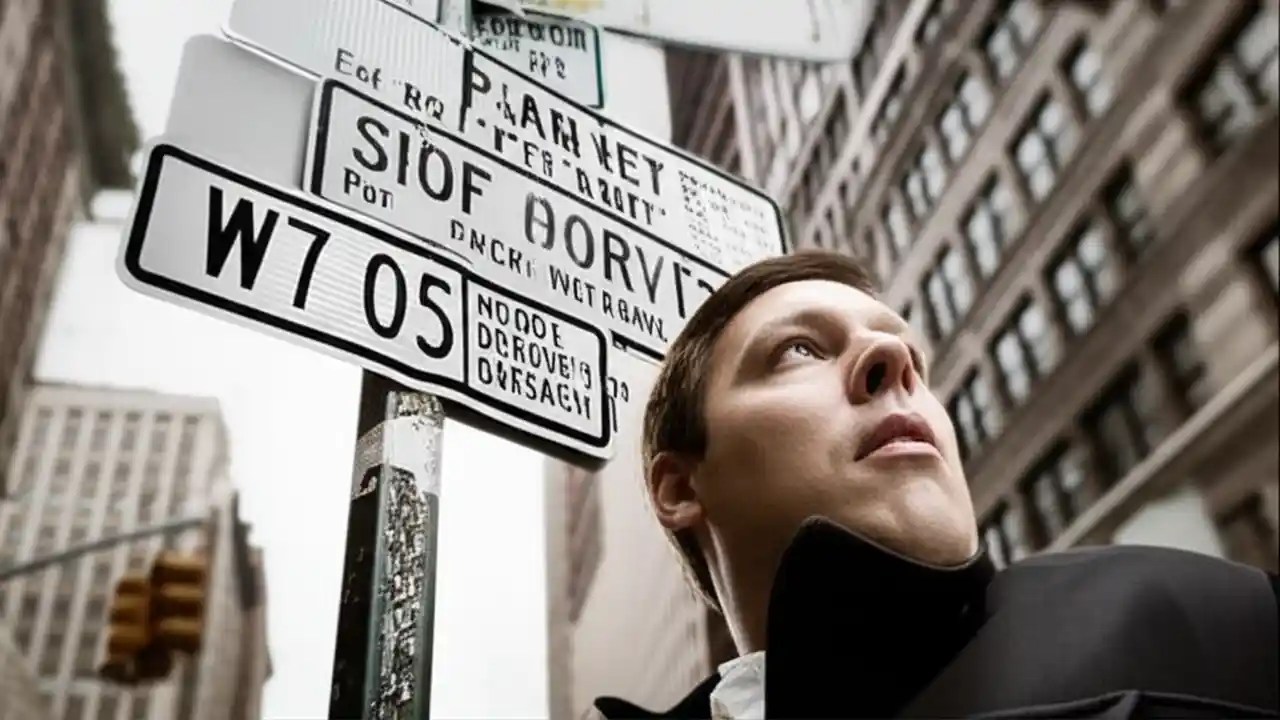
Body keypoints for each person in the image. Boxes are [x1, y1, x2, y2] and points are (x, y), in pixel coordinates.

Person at [591, 252, 1279, 719]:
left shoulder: (1222, 626)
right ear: (679, 487)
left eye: (910, 353)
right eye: (798, 349)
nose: (894, 361)